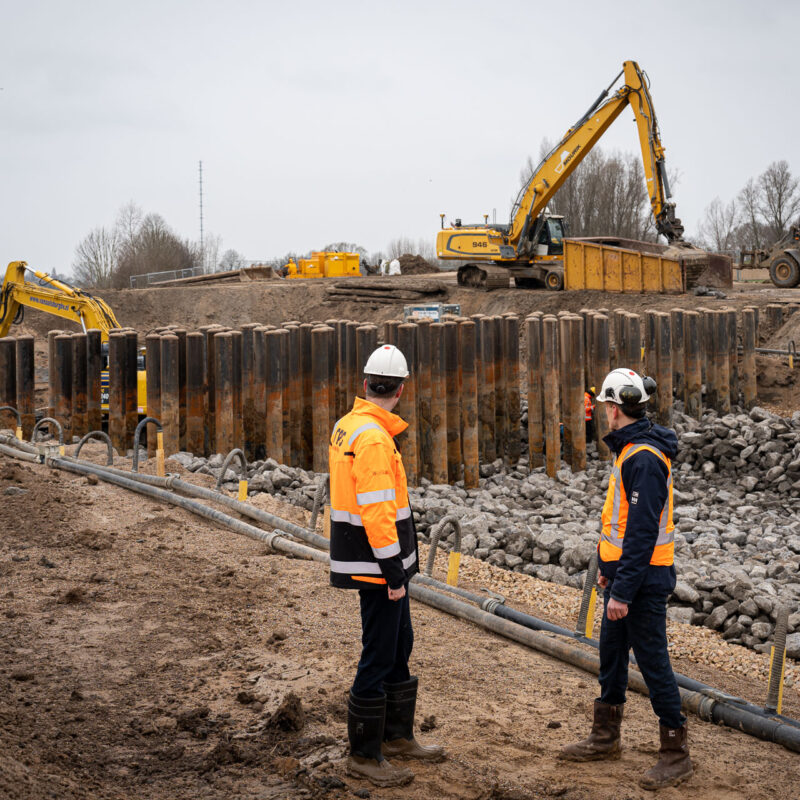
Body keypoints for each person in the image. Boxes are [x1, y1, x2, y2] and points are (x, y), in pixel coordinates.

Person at [559, 368, 693, 791]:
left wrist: (623, 589)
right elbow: (619, 528)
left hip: (644, 583)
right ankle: (605, 737)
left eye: (605, 407)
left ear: (615, 409)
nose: (604, 414)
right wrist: (608, 569)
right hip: (625, 577)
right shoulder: (632, 450)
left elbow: (640, 534)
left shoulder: (644, 459)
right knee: (612, 657)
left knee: (653, 665)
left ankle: (676, 752)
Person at [329, 344, 445, 787]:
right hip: (378, 565)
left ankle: (397, 737)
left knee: (400, 643)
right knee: (379, 652)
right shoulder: (375, 438)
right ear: (400, 390)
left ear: (365, 385)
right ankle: (364, 754)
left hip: (372, 560)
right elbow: (377, 511)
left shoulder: (350, 426)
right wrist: (394, 573)